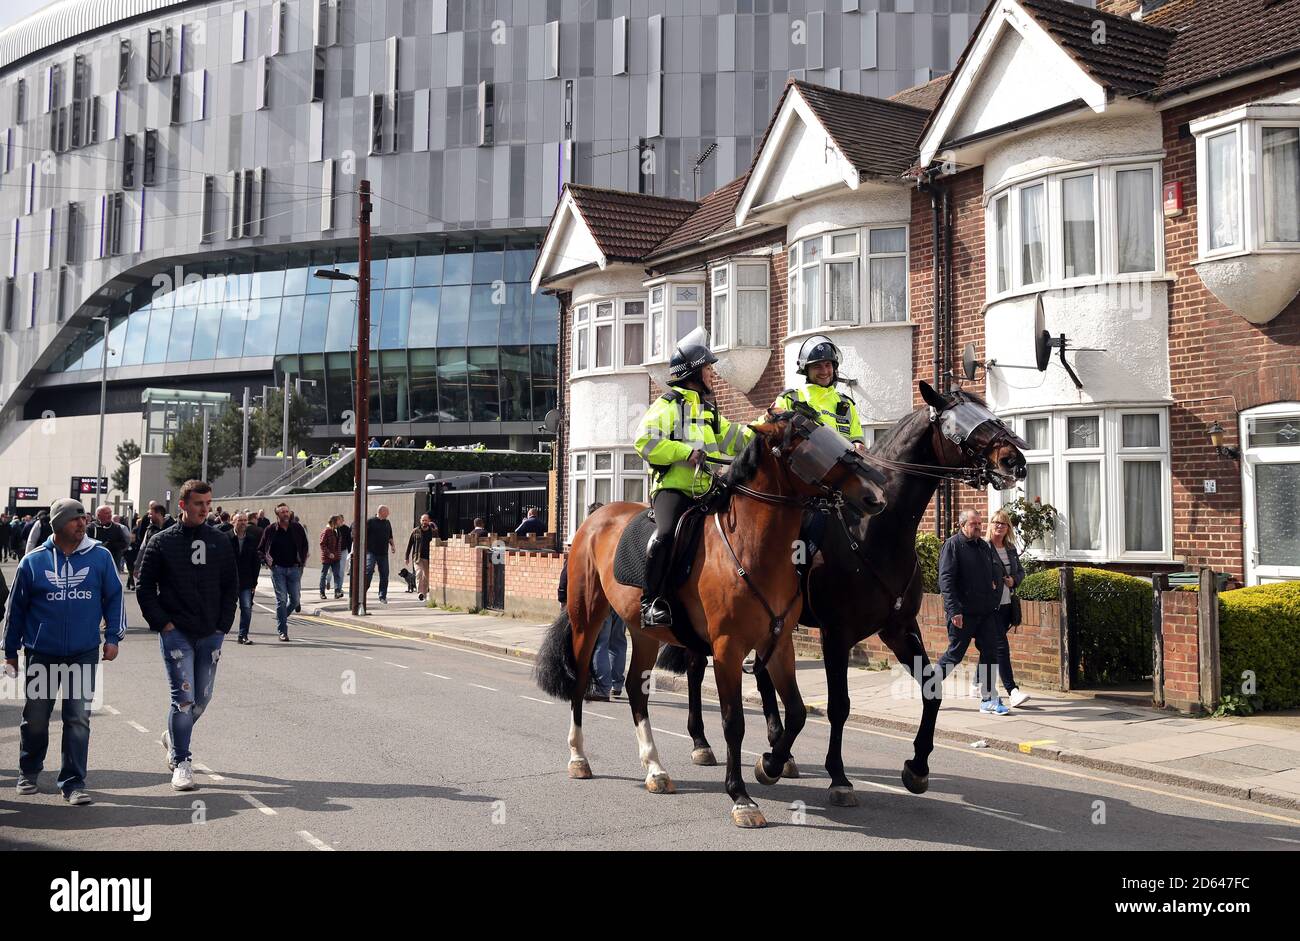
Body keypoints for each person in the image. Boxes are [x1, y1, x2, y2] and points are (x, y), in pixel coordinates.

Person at [5, 499, 126, 805]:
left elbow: (114, 598)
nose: (82, 524)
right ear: (58, 524)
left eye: (84, 519)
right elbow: (15, 610)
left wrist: (113, 636)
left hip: (83, 652)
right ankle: (28, 770)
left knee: (77, 719)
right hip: (41, 652)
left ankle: (73, 782)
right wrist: (9, 651)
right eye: (75, 520)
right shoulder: (32, 562)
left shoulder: (100, 557)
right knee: (36, 718)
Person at [633, 326, 751, 628]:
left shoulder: (709, 411)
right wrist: (685, 453)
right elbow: (644, 441)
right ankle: (651, 602)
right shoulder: (668, 405)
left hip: (707, 490)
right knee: (666, 534)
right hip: (673, 490)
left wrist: (765, 429)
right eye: (708, 369)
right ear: (694, 372)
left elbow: (735, 438)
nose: (712, 374)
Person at [136, 480, 237, 790]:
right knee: (183, 700)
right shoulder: (161, 541)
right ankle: (182, 761)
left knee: (202, 699)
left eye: (208, 504)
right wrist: (163, 624)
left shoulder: (220, 541)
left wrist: (222, 627)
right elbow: (144, 587)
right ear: (182, 505)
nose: (205, 510)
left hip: (210, 633)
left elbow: (230, 587)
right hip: (176, 633)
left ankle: (173, 735)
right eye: (198, 504)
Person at [937, 509, 1007, 715]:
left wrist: (994, 596)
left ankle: (988, 698)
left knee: (990, 652)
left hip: (986, 612)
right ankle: (930, 686)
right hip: (963, 613)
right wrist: (954, 610)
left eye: (979, 523)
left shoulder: (984, 546)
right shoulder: (952, 545)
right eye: (973, 523)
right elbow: (946, 581)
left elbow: (996, 571)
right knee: (955, 654)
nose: (978, 526)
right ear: (962, 525)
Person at [772, 335, 869, 457]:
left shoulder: (846, 404)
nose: (824, 371)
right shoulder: (789, 399)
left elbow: (856, 438)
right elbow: (775, 440)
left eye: (828, 365)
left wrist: (857, 444)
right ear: (806, 370)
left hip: (841, 472)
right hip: (799, 471)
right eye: (817, 366)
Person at [987, 509, 1030, 709]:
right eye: (996, 522)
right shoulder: (984, 548)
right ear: (990, 524)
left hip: (1007, 604)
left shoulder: (1010, 549)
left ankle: (978, 682)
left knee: (992, 647)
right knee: (1002, 647)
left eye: (1003, 524)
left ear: (1008, 528)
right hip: (991, 606)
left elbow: (1020, 572)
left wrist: (1014, 580)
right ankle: (1012, 691)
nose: (999, 526)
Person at [258, 502, 309, 641]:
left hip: (294, 568)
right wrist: (268, 562)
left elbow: (305, 545)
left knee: (295, 600)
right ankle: (283, 631)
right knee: (281, 600)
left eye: (287, 511)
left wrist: (302, 561)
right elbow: (261, 549)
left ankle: (281, 616)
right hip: (277, 569)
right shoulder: (270, 529)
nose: (286, 514)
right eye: (282, 512)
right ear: (277, 514)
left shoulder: (297, 528)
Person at [229, 511, 262, 644]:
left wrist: (254, 582)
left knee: (246, 608)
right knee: (225, 608)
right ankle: (217, 633)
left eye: (244, 520)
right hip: (229, 581)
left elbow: (256, 562)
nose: (243, 523)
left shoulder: (252, 539)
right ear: (233, 522)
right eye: (240, 520)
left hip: (246, 581)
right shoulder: (226, 538)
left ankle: (243, 635)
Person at [364, 505, 395, 605]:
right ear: (381, 512)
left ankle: (382, 596)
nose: (388, 514)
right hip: (371, 551)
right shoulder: (370, 521)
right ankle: (362, 591)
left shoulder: (387, 522)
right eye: (387, 512)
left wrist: (393, 546)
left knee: (385, 574)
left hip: (383, 553)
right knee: (368, 571)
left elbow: (390, 536)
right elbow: (363, 535)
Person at [404, 514, 437, 601]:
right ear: (420, 521)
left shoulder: (433, 532)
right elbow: (410, 544)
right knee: (419, 573)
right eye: (423, 520)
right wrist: (406, 557)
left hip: (428, 558)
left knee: (426, 576)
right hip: (417, 557)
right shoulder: (415, 531)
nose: (424, 522)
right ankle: (420, 593)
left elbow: (437, 543)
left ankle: (425, 595)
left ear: (429, 521)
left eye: (426, 520)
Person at [87, 505, 128, 573]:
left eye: (110, 513)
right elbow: (86, 542)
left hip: (112, 562)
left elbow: (123, 544)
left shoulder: (116, 528)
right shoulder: (91, 528)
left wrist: (110, 545)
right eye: (106, 513)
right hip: (95, 562)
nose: (109, 515)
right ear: (98, 515)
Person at [320, 515, 343, 601]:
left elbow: (338, 544)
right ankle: (322, 592)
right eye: (338, 521)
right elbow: (322, 544)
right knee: (324, 574)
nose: (340, 522)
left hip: (336, 557)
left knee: (337, 575)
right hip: (327, 558)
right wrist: (329, 554)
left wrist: (338, 554)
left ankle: (337, 592)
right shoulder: (326, 531)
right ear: (334, 521)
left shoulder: (337, 531)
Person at [336, 517, 353, 594]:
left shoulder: (346, 529)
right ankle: (328, 582)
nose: (340, 522)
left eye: (341, 520)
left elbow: (349, 540)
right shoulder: (334, 529)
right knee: (331, 571)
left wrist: (350, 552)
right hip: (334, 551)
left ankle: (339, 588)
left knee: (341, 570)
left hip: (343, 551)